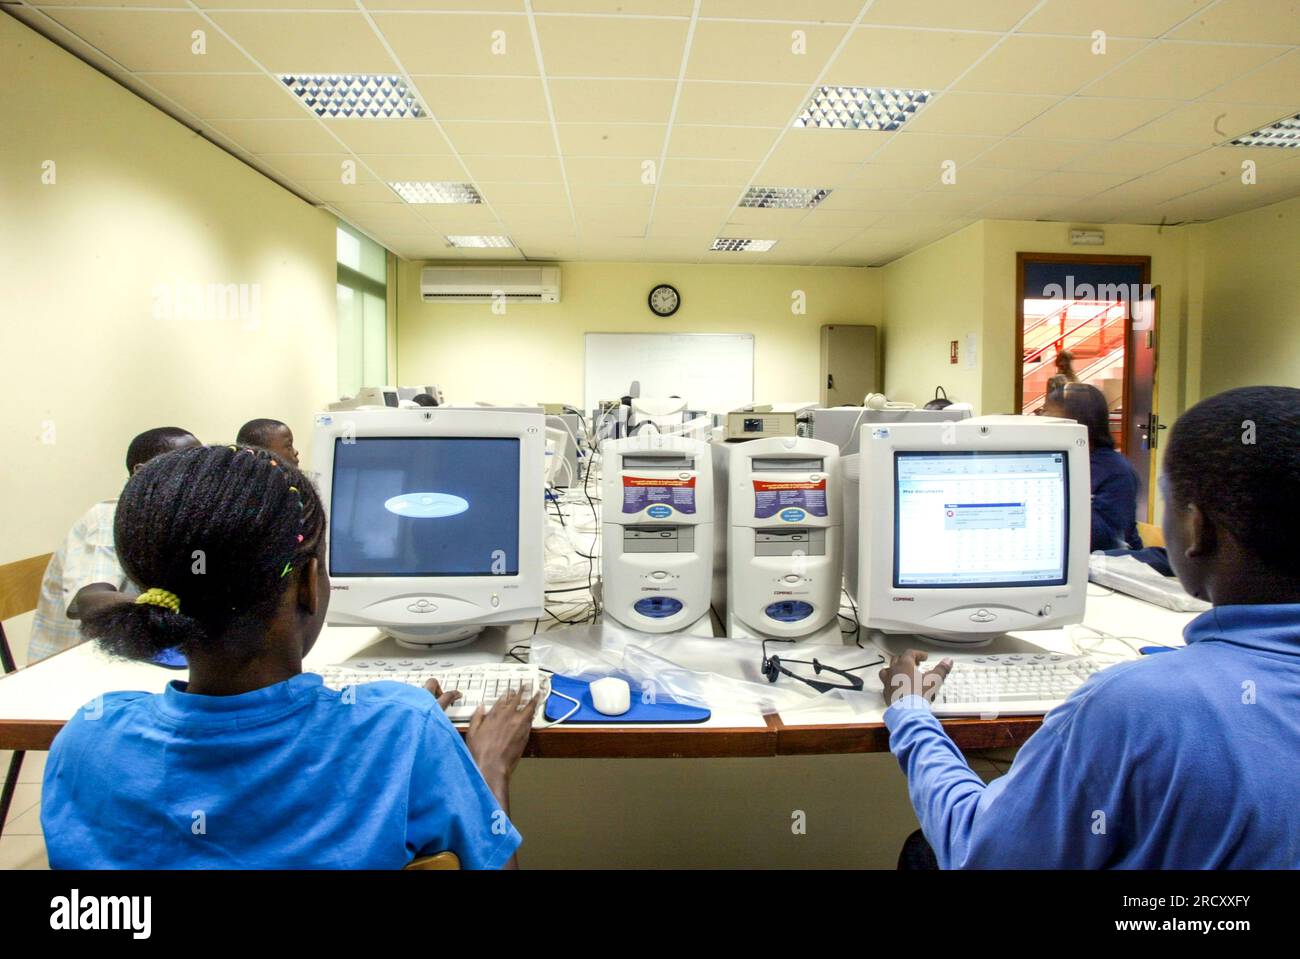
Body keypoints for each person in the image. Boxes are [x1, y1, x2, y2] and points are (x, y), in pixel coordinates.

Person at [41, 444, 536, 869]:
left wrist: (388, 726)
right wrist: (486, 765)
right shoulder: (406, 729)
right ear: (306, 587)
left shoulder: (86, 740)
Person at [879, 385, 1300, 868]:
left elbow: (980, 852)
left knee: (923, 852)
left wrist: (911, 714)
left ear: (1196, 529)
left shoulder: (1135, 705)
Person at [27, 427, 200, 663]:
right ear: (141, 472)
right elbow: (92, 603)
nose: (200, 477)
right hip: (70, 669)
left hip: (133, 652)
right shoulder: (107, 519)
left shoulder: (176, 517)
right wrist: (176, 605)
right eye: (187, 468)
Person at [1043, 382, 1141, 551]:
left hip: (1108, 566)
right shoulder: (1054, 462)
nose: (1042, 420)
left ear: (1079, 423)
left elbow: (1104, 538)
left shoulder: (1117, 472)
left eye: (1047, 413)